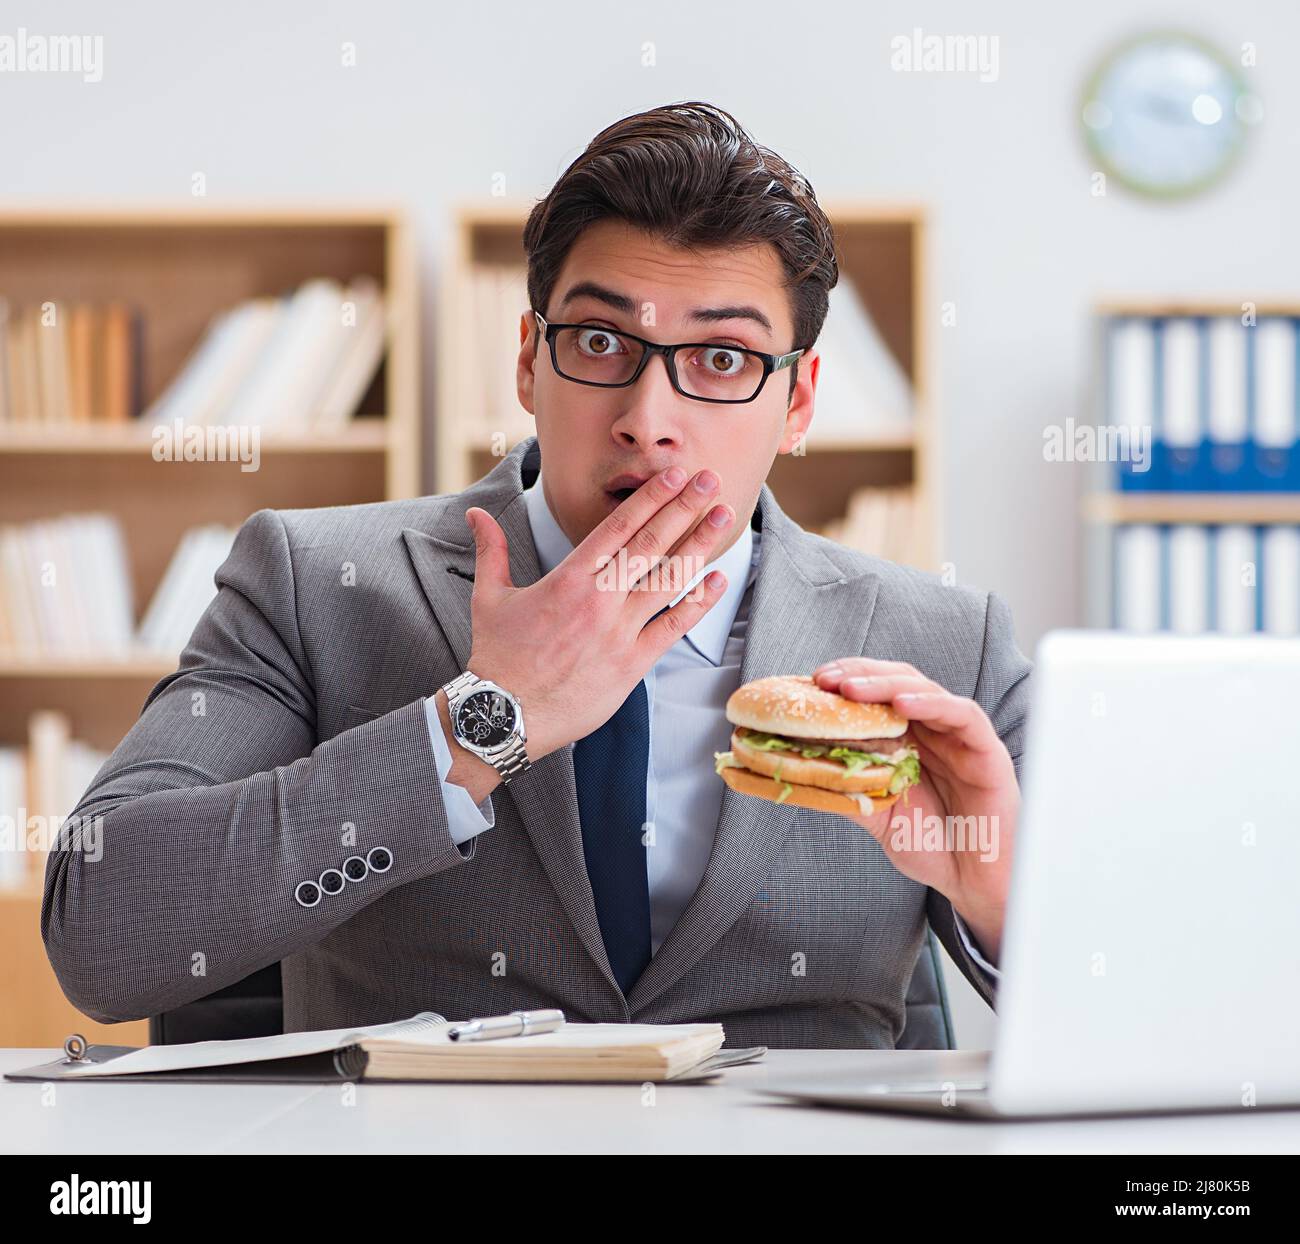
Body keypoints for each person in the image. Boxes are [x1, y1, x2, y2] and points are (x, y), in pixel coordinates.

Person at [44, 101, 1029, 1049]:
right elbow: (100, 933)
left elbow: (1149, 996)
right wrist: (479, 720)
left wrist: (1000, 890)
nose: (649, 415)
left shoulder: (943, 646)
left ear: (800, 399)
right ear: (528, 362)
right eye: (600, 342)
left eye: (723, 357)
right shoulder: (314, 586)